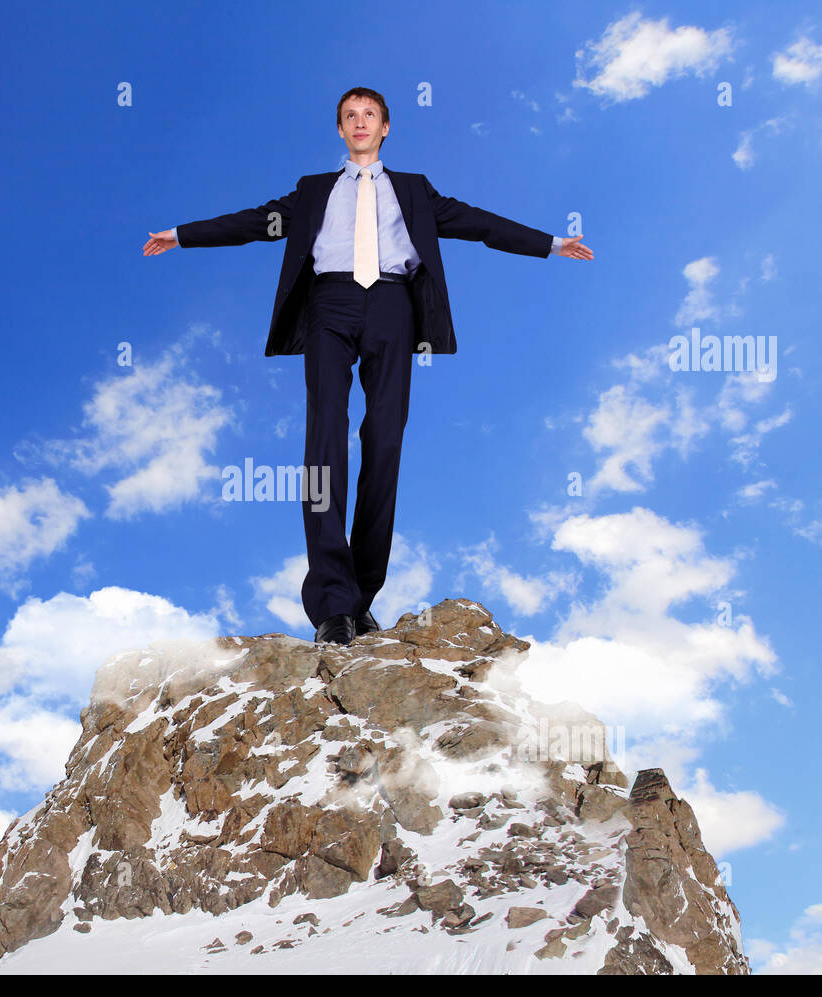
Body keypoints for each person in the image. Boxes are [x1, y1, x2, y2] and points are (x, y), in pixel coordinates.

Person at [144, 87, 593, 645]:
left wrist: (549, 243)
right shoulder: (312, 191)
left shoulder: (413, 189)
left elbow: (479, 223)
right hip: (328, 303)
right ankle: (332, 603)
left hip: (392, 304)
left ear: (386, 128)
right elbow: (257, 223)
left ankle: (360, 595)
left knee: (385, 442)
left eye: (370, 116)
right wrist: (182, 236)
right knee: (324, 440)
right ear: (340, 130)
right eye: (349, 117)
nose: (360, 123)